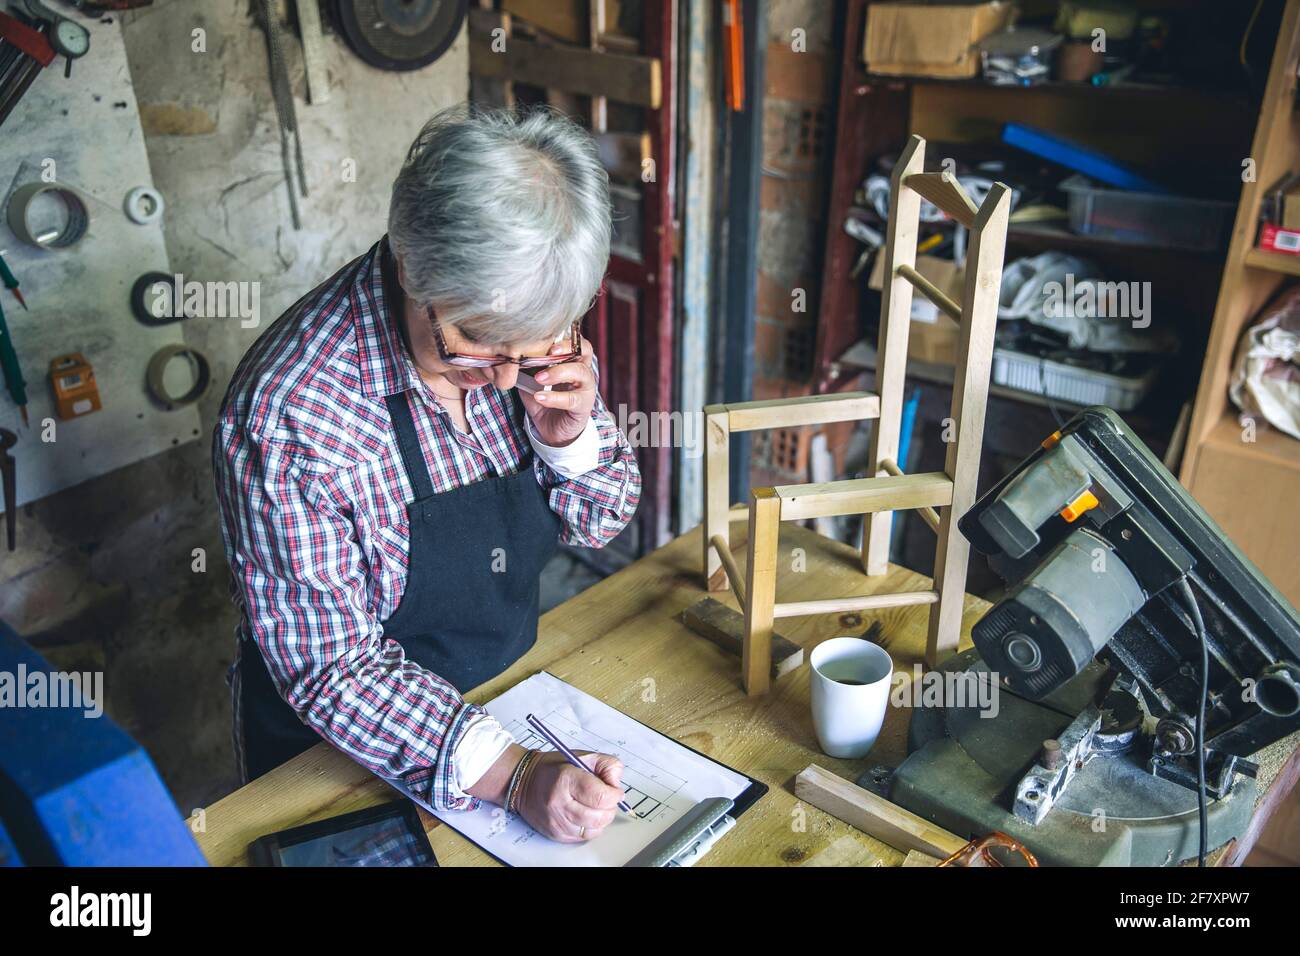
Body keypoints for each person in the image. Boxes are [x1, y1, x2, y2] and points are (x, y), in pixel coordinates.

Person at [214, 107, 641, 843]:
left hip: (511, 697)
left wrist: (569, 443)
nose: (507, 379)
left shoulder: (523, 340)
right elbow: (332, 667)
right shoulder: (292, 414)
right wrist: (513, 776)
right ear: (412, 266)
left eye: (532, 348)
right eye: (474, 345)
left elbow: (599, 521)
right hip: (338, 755)